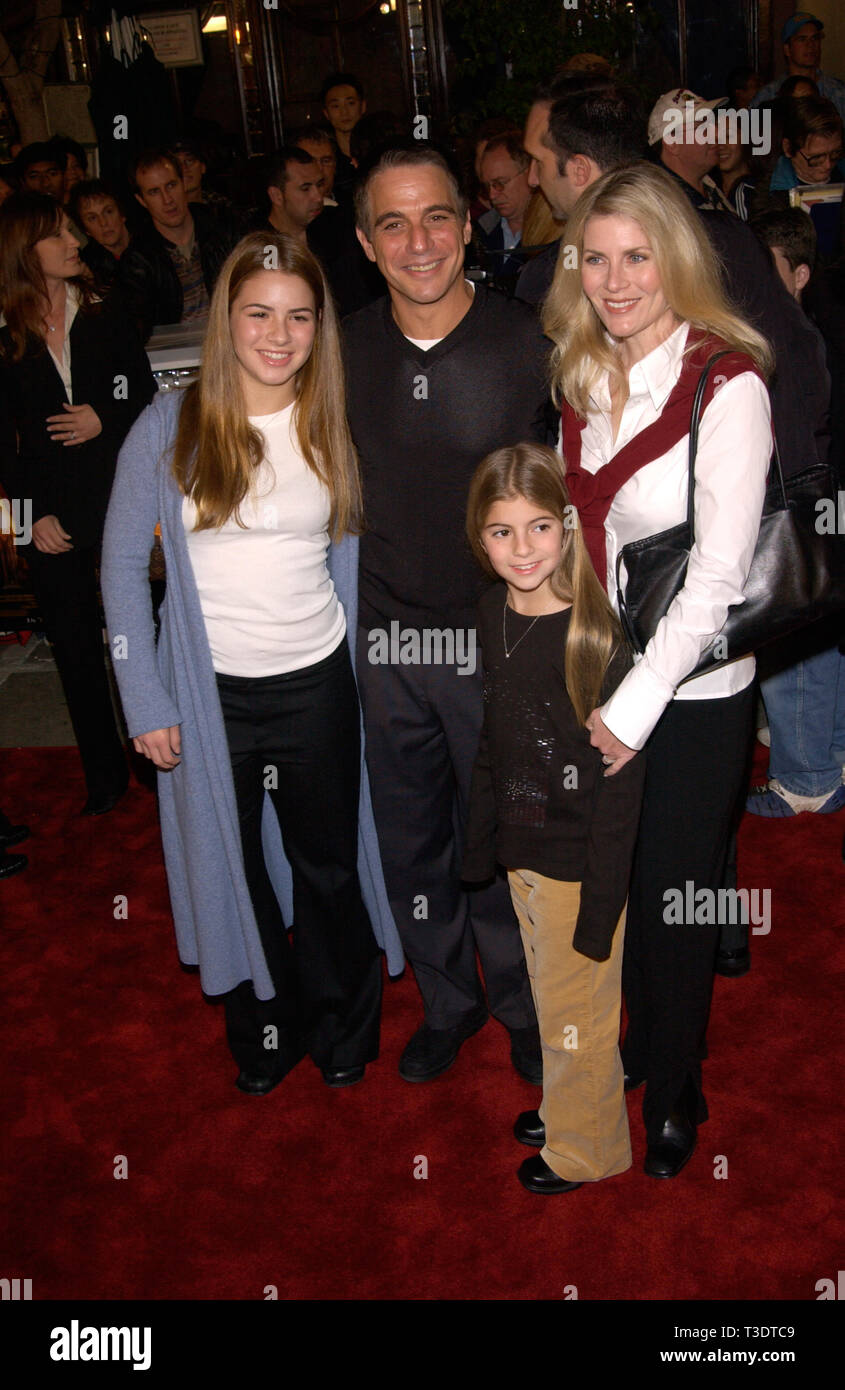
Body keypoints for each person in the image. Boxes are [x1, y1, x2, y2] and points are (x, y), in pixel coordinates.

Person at [101, 232, 401, 1094]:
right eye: (259, 313)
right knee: (228, 867)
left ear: (320, 327)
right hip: (204, 697)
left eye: (299, 316)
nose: (278, 334)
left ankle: (344, 1022)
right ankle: (266, 1023)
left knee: (328, 867)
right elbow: (121, 565)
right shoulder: (169, 423)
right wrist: (145, 696)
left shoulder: (332, 419)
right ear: (225, 318)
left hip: (315, 682)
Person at [543, 161, 773, 1177]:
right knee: (619, 881)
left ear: (674, 255)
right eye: (595, 256)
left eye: (636, 254)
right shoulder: (578, 371)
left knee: (677, 894)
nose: (615, 277)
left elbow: (716, 579)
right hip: (598, 667)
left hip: (690, 691)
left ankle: (677, 1087)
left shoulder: (728, 383)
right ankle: (638, 1046)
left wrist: (632, 709)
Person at [346, 140, 554, 1085]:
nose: (417, 240)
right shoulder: (338, 352)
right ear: (364, 241)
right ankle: (446, 1000)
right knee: (412, 843)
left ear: (467, 223)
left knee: (501, 838)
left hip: (495, 642)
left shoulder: (526, 346)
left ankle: (517, 1001)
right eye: (392, 222)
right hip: (386, 643)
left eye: (435, 216)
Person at [463, 443, 645, 1194]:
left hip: (579, 864)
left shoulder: (591, 636)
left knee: (578, 1018)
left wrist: (602, 904)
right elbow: (496, 739)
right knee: (553, 1004)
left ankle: (588, 1150)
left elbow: (620, 786)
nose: (522, 549)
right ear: (479, 539)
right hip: (525, 855)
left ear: (567, 527)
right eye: (502, 532)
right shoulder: (489, 612)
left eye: (538, 528)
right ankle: (568, 1107)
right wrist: (482, 845)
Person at [0, 193, 156, 814]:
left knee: (134, 634)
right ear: (24, 249)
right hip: (45, 516)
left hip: (116, 499)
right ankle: (103, 778)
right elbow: (0, 448)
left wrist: (103, 416)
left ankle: (153, 761)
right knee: (72, 645)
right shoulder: (4, 332)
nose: (74, 241)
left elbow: (145, 394)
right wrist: (24, 524)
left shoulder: (106, 308)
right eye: (59, 233)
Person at [118, 148, 241, 340]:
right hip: (173, 355)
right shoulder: (138, 260)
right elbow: (137, 330)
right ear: (141, 200)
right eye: (154, 192)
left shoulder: (223, 228)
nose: (167, 200)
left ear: (183, 183)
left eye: (171, 185)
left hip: (234, 342)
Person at [751, 13, 845, 126]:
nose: (810, 45)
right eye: (802, 39)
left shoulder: (838, 92)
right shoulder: (769, 95)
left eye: (815, 38)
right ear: (787, 49)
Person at [474, 133, 534, 286]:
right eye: (487, 186)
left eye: (500, 183)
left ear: (530, 173)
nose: (492, 195)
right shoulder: (477, 234)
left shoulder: (554, 237)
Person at [769, 95, 845, 190]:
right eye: (817, 158)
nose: (828, 165)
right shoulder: (761, 192)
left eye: (836, 153)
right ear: (788, 148)